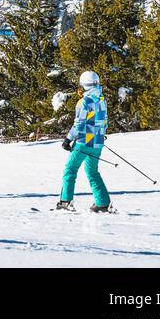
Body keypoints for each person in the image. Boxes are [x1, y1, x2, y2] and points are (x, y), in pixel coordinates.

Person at [56, 70, 113, 212]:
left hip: (83, 143)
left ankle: (65, 202)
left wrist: (68, 139)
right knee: (92, 171)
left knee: (70, 169)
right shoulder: (102, 100)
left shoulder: (83, 102)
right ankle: (103, 203)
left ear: (84, 85)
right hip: (97, 143)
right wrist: (100, 134)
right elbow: (104, 121)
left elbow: (79, 124)